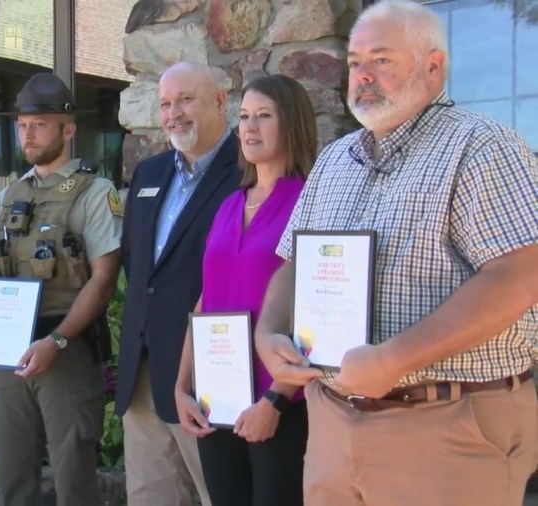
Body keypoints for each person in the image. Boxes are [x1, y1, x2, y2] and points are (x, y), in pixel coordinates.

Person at [254, 1, 538, 505]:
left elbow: (520, 272)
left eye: (381, 59)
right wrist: (268, 331)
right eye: (355, 62)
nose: (363, 75)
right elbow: (295, 263)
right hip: (333, 423)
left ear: (433, 67)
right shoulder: (335, 160)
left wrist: (394, 358)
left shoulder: (482, 146)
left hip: (445, 426)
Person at [0, 72, 122, 506]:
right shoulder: (9, 195)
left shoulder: (94, 192)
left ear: (68, 130)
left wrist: (58, 339)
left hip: (65, 350)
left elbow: (104, 279)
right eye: (22, 125)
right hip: (8, 350)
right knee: (12, 479)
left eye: (40, 125)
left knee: (74, 483)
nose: (28, 134)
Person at [173, 74, 317, 505]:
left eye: (264, 116)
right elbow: (206, 300)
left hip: (282, 404)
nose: (249, 127)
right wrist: (183, 385)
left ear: (291, 123)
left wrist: (275, 401)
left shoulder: (309, 202)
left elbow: (315, 309)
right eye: (244, 116)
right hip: (219, 397)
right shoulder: (229, 205)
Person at [115, 61, 241, 506]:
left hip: (209, 373)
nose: (173, 114)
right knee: (150, 496)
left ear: (220, 101)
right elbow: (135, 260)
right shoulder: (148, 174)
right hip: (143, 370)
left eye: (185, 100)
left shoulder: (248, 171)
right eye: (166, 104)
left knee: (219, 494)